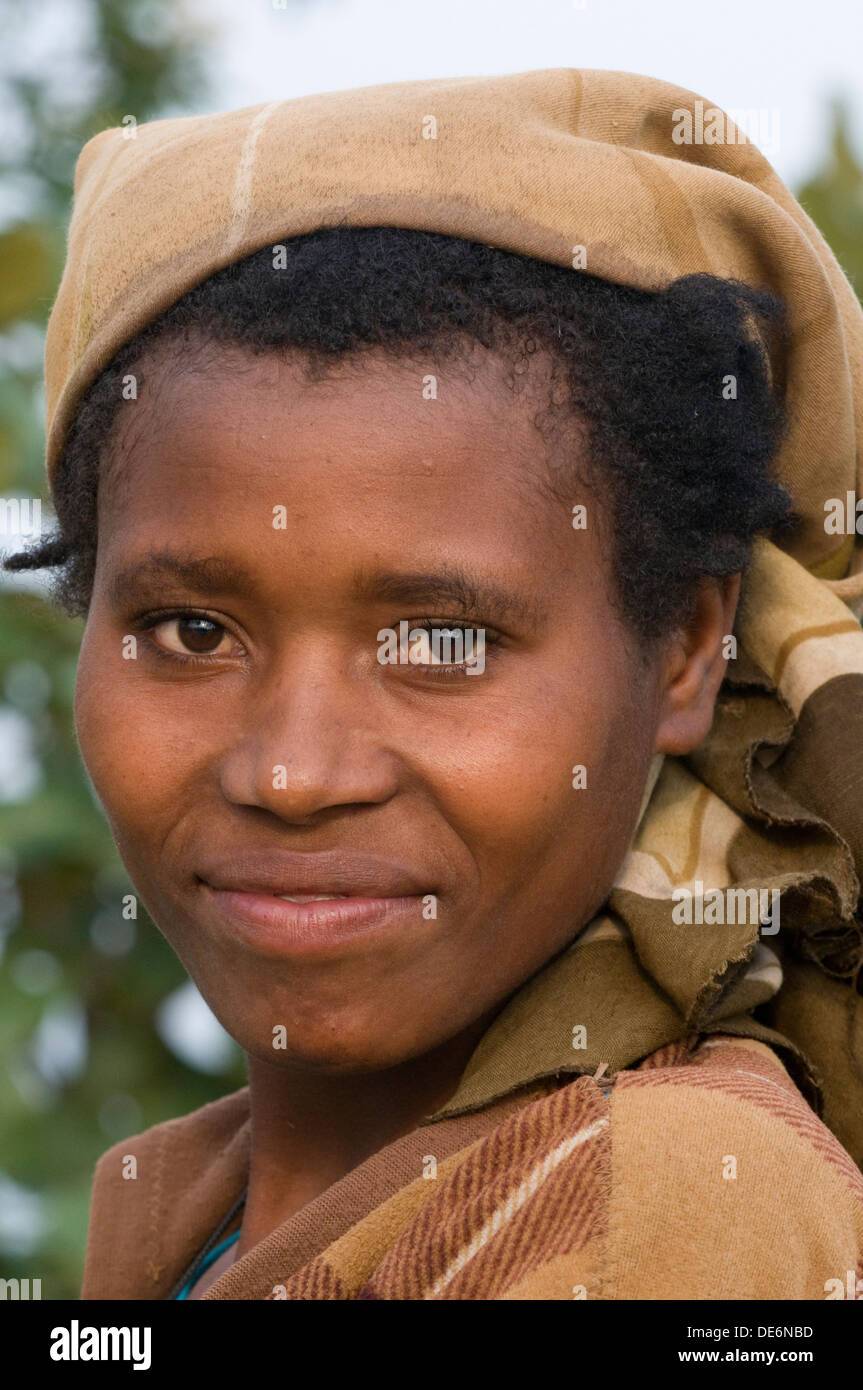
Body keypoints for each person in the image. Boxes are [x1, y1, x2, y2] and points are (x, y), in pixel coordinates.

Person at [7, 66, 863, 1301]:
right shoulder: (191, 1223)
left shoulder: (660, 1214)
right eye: (193, 629)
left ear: (684, 646)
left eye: (441, 642)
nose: (293, 772)